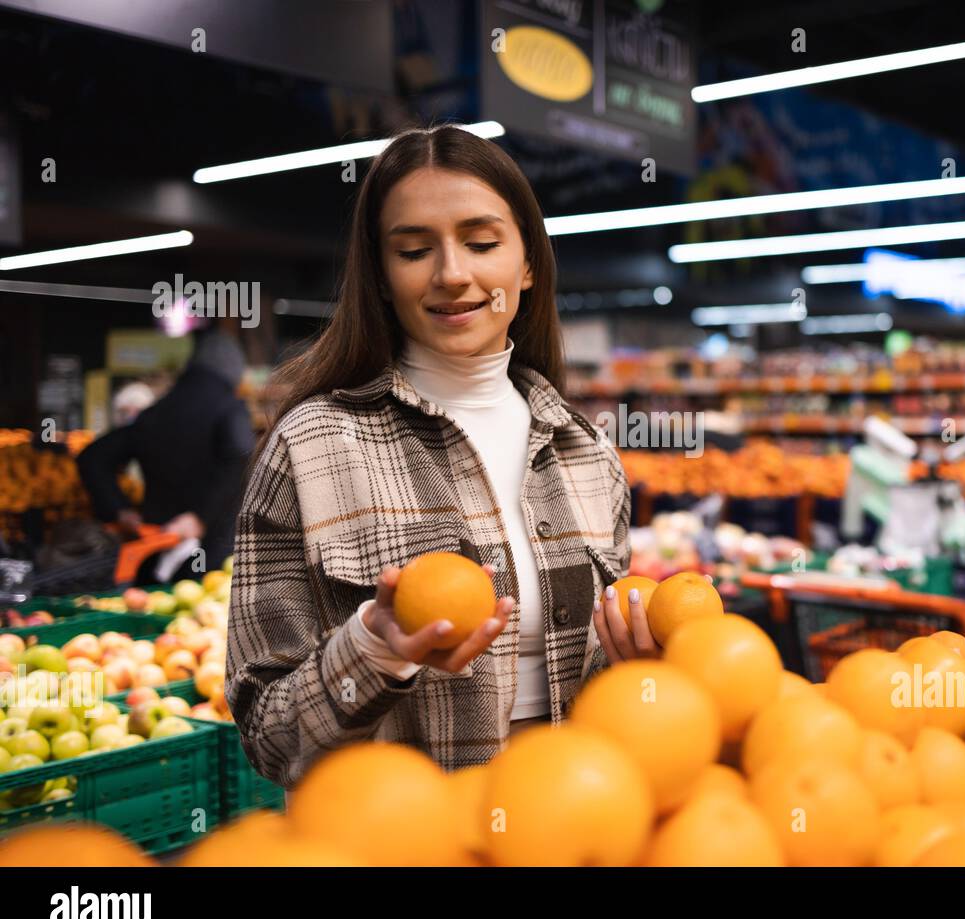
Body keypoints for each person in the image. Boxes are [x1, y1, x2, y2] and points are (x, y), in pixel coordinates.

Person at [226, 124, 657, 787]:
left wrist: (633, 669)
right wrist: (373, 651)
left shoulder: (585, 453)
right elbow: (271, 741)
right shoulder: (311, 447)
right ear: (382, 274)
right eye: (413, 250)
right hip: (402, 841)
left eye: (482, 243)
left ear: (528, 263)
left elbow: (589, 702)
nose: (453, 274)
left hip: (572, 827)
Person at [77, 331, 254, 574]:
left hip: (153, 552)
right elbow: (241, 455)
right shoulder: (230, 409)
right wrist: (200, 518)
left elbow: (92, 458)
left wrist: (119, 509)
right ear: (234, 369)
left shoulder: (155, 413)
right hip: (215, 559)